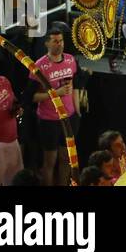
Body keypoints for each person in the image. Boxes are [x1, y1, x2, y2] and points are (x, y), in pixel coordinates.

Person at [32, 23, 81, 187]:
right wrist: (56, 93)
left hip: (68, 117)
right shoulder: (39, 66)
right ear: (46, 43)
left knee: (66, 158)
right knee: (50, 161)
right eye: (54, 41)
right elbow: (33, 97)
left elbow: (74, 85)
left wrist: (77, 110)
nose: (58, 44)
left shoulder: (70, 60)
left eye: (60, 41)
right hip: (49, 120)